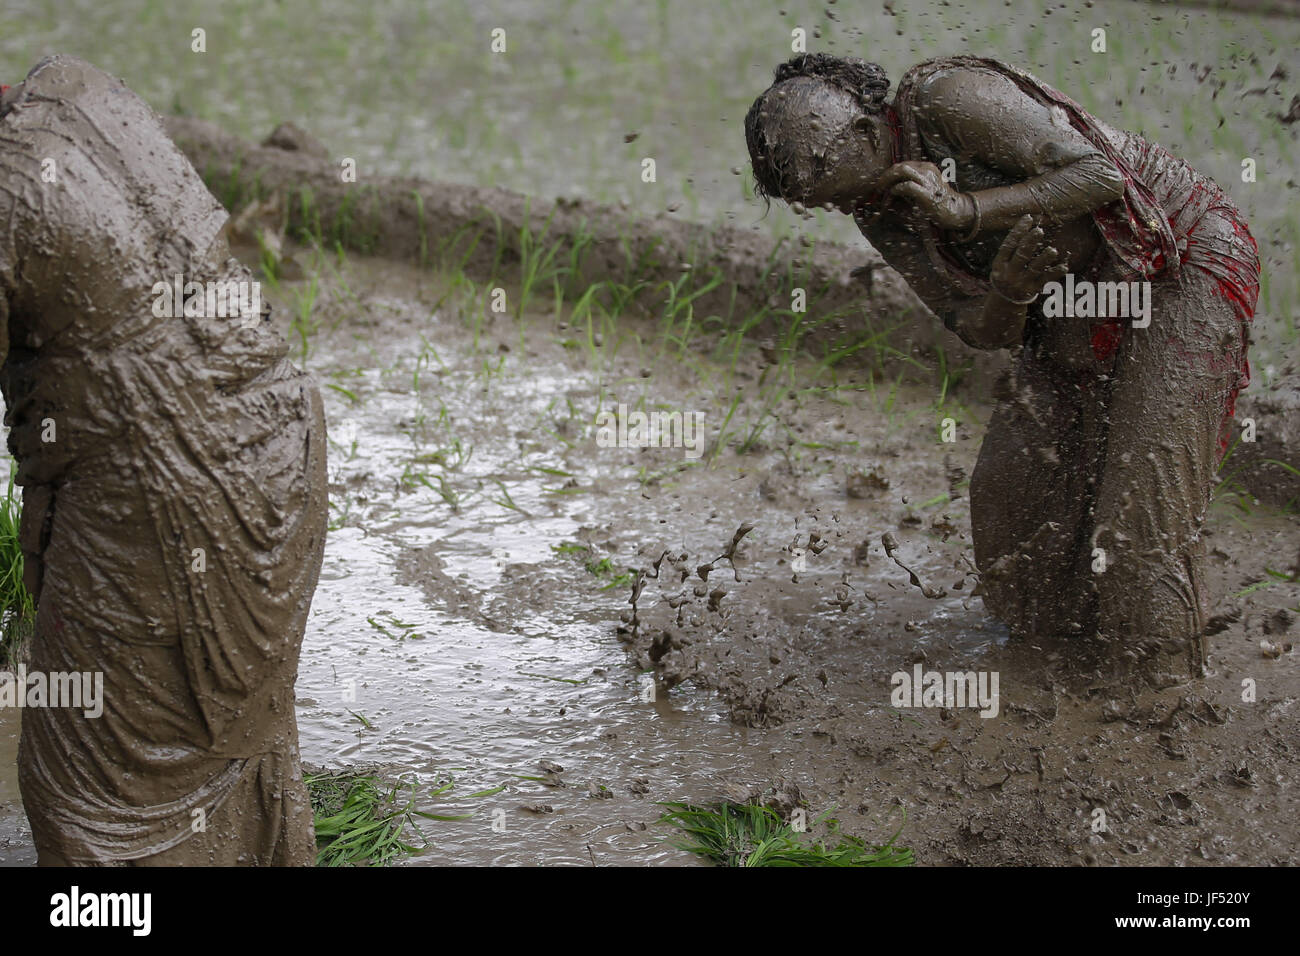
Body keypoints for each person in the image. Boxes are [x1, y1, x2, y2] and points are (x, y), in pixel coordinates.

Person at [745, 53, 1260, 676]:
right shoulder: (878, 210)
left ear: (864, 133)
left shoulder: (943, 97)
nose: (835, 205)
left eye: (827, 182)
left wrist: (967, 210)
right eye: (813, 201)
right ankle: (1060, 674)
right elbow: (977, 327)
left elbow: (1099, 176)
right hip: (1067, 306)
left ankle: (1164, 698)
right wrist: (1010, 290)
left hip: (1176, 261)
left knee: (1137, 524)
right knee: (1013, 529)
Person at [0, 55, 325, 864]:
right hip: (278, 451)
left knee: (87, 795)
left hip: (165, 506)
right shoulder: (74, 87)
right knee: (232, 753)